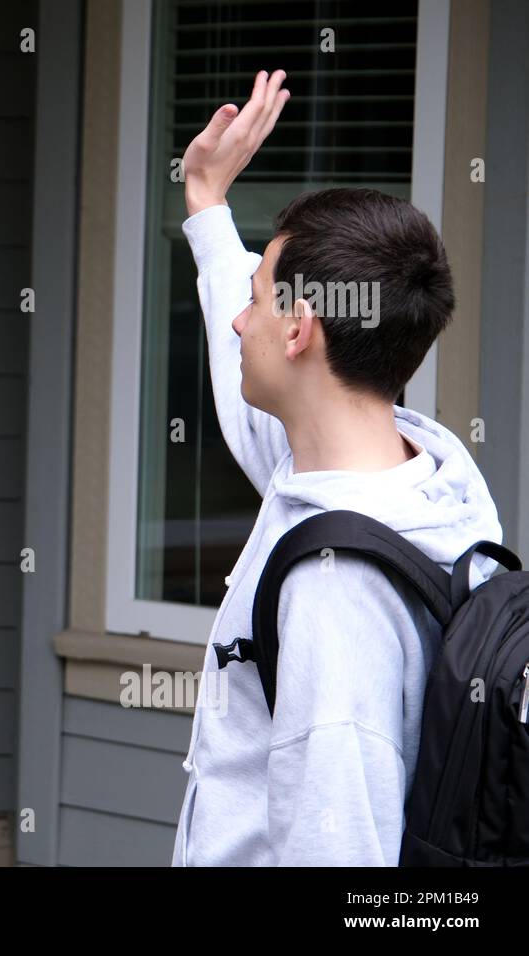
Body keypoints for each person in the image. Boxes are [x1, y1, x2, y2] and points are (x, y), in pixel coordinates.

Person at [172, 71, 505, 865]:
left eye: (257, 297)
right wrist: (207, 200)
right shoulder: (424, 474)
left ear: (298, 333)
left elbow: (341, 850)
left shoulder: (334, 592)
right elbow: (246, 380)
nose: (237, 319)